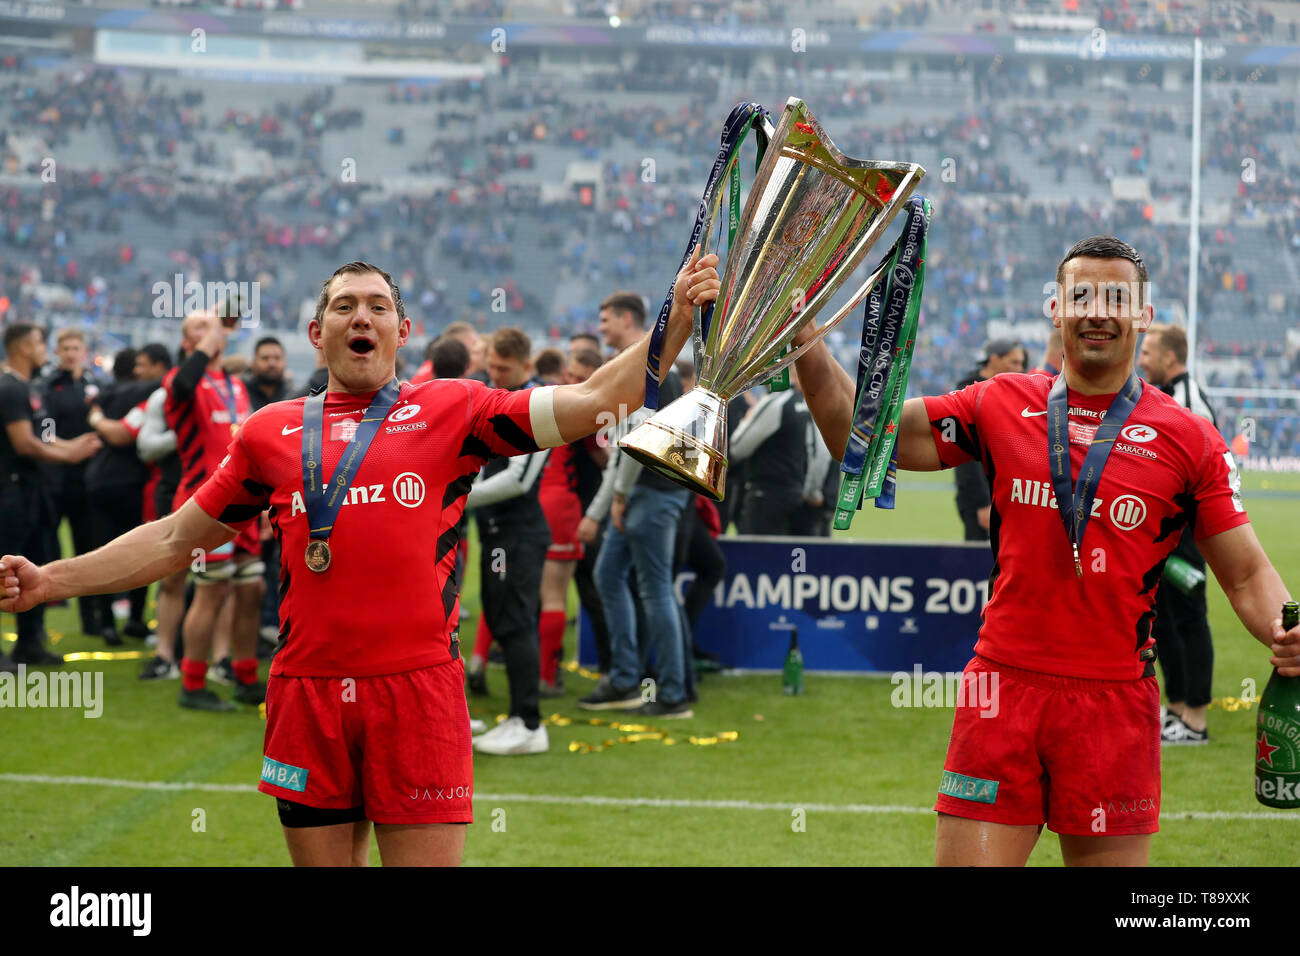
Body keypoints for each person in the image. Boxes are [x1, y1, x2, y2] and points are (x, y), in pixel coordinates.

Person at [1, 253, 718, 866]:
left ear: (402, 332)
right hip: (307, 695)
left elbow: (597, 398)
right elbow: (172, 539)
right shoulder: (270, 432)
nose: (361, 318)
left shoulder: (454, 409)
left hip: (418, 694)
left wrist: (676, 316)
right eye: (344, 306)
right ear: (318, 334)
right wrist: (48, 579)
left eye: (378, 306)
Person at [794, 235, 1298, 866]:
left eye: (1117, 297)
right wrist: (807, 340)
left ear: (1143, 315)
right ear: (1056, 309)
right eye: (1081, 295)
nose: (1097, 311)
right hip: (1001, 691)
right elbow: (860, 437)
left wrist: (1289, 634)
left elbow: (1248, 573)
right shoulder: (999, 402)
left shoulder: (1189, 439)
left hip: (1114, 703)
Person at [578, 291, 694, 719]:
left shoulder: (649, 364)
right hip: (653, 490)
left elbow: (637, 438)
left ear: (627, 319)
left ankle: (674, 693)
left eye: (605, 319)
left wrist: (617, 499)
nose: (601, 327)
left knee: (655, 590)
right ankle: (627, 680)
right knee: (610, 575)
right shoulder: (653, 360)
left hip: (650, 491)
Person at [164, 309, 267, 711]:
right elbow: (187, 378)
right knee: (210, 592)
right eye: (199, 328)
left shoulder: (236, 386)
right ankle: (192, 683)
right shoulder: (181, 382)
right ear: (189, 342)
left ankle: (244, 676)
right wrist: (216, 330)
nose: (213, 333)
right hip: (203, 506)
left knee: (251, 589)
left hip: (243, 507)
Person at [464, 327, 553, 755]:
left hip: (521, 535)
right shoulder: (493, 401)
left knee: (516, 622)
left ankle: (530, 723)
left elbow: (519, 481)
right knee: (500, 620)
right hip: (497, 535)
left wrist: (458, 500)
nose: (494, 373)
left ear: (526, 366)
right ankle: (517, 716)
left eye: (503, 368)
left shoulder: (536, 405)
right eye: (492, 366)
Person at [0, 323, 101, 671]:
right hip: (10, 492)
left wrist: (72, 446)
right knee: (4, 569)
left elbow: (44, 436)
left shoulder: (28, 388)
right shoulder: (10, 388)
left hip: (34, 492)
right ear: (24, 347)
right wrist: (68, 456)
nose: (46, 349)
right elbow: (24, 443)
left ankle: (30, 642)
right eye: (41, 343)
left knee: (34, 565)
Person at [1138, 322, 1218, 745]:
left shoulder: (1191, 404)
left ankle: (1197, 719)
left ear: (1170, 357)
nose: (1142, 359)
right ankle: (1176, 708)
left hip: (1185, 534)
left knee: (1189, 619)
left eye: (1148, 352)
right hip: (1159, 536)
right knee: (1163, 621)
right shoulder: (1164, 397)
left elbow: (1208, 474)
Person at [536, 347, 605, 697]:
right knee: (554, 596)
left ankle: (484, 659)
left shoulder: (544, 399)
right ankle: (547, 676)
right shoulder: (587, 410)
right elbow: (606, 459)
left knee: (533, 591)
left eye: (581, 377)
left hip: (541, 505)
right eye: (571, 376)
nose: (574, 382)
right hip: (563, 507)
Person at [40, 327, 105, 640]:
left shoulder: (97, 386)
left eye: (74, 347)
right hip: (54, 478)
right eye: (64, 347)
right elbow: (45, 433)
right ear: (57, 351)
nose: (69, 353)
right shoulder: (47, 387)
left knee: (89, 550)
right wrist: (73, 448)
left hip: (89, 480)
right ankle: (36, 624)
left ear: (84, 350)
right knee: (43, 547)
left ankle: (91, 620)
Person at [728, 366, 830, 535]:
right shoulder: (808, 404)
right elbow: (821, 454)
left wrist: (746, 420)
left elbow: (738, 446)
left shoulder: (775, 402)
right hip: (799, 498)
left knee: (762, 559)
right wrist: (811, 491)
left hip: (766, 498)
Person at [952, 339, 1026, 542]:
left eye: (1021, 364)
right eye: (1014, 363)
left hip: (1006, 497)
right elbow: (964, 455)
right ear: (994, 360)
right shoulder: (967, 391)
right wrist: (982, 503)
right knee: (977, 563)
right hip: (981, 500)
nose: (1020, 369)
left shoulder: (1011, 391)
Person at [244, 336, 291, 412]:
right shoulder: (241, 394)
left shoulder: (292, 398)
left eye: (277, 358)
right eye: (265, 358)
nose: (271, 363)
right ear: (254, 362)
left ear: (285, 362)